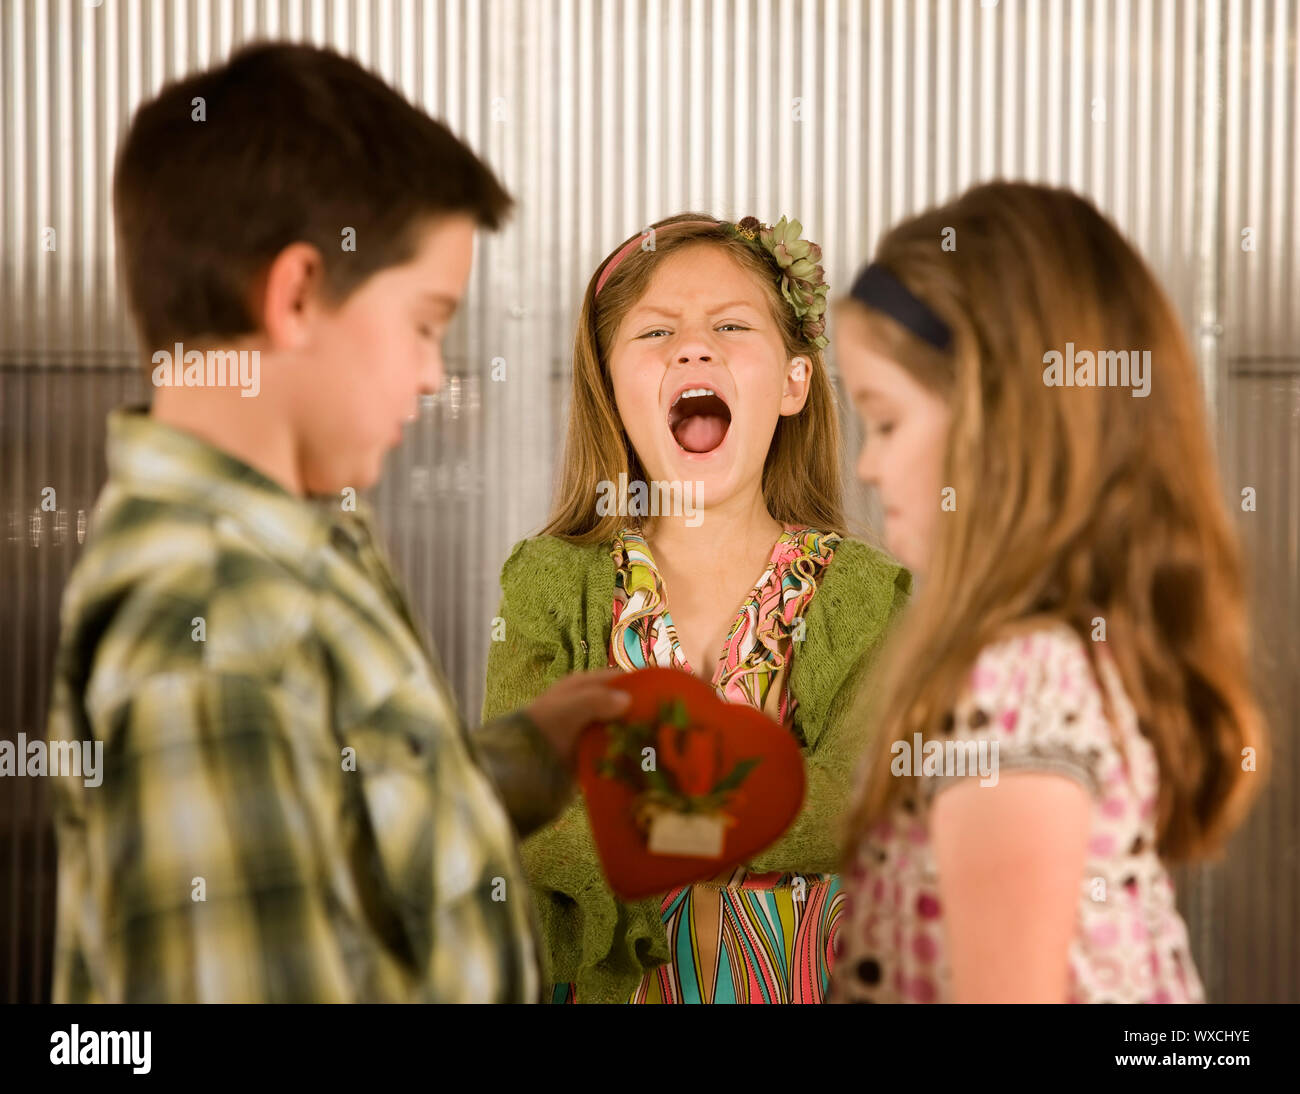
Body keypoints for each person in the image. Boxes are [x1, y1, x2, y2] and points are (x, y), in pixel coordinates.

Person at [44, 41, 629, 1003]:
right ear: (300, 294)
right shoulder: (213, 633)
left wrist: (538, 751)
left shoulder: (300, 535)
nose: (433, 373)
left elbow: (347, 825)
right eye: (426, 323)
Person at [829, 181, 1266, 1003]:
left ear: (999, 428)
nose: (867, 466)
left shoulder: (1016, 682)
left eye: (886, 423)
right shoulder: (1064, 660)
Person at [482, 213, 911, 1003]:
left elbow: (856, 805)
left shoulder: (866, 590)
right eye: (655, 333)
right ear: (612, 390)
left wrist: (643, 830)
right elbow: (525, 802)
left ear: (793, 383)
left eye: (732, 325)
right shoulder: (548, 580)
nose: (694, 347)